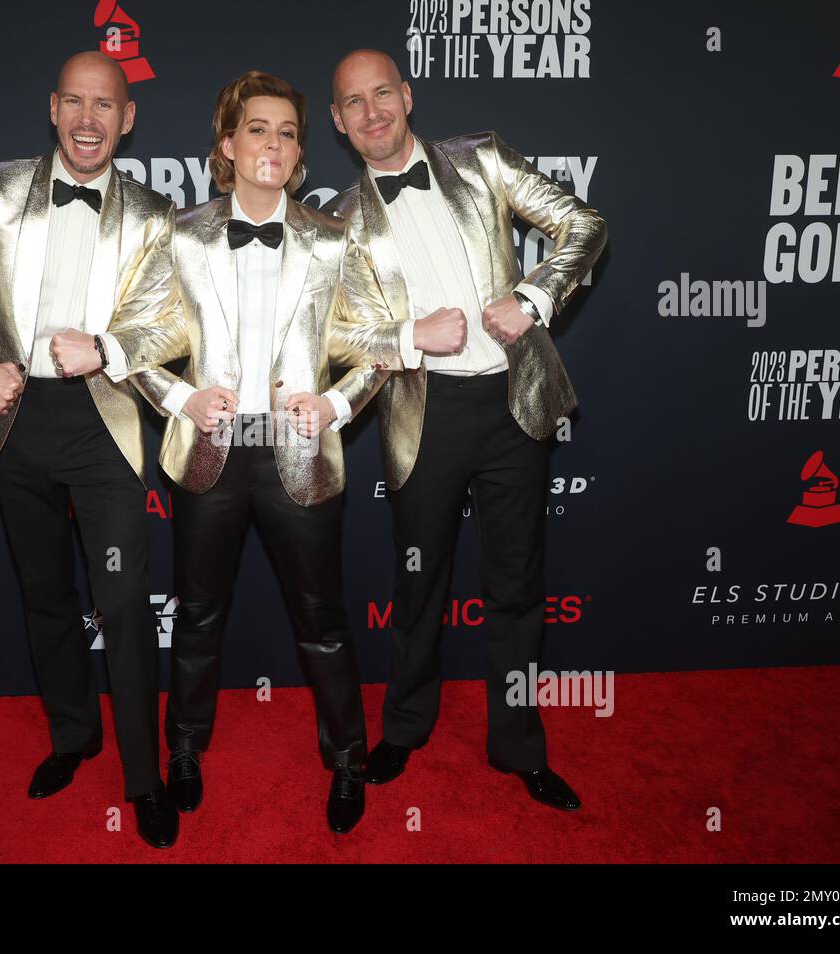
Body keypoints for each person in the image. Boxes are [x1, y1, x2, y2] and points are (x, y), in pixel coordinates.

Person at [51, 69, 464, 834]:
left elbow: (375, 341)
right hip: (210, 452)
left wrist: (334, 404)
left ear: (299, 154)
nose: (271, 143)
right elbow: (136, 336)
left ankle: (346, 759)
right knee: (200, 617)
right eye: (257, 129)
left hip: (300, 453)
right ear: (227, 146)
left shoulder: (335, 241)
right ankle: (183, 750)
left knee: (324, 622)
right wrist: (180, 399)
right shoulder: (179, 235)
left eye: (286, 132)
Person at [0, 51, 179, 848]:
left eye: (105, 105)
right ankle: (72, 734)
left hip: (104, 426)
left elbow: (171, 327)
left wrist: (112, 347)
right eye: (75, 103)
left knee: (123, 607)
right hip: (14, 421)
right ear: (54, 109)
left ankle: (144, 778)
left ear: (128, 118)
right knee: (45, 595)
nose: (89, 120)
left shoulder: (155, 216)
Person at [323, 48, 607, 811]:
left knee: (516, 586)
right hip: (426, 415)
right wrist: (408, 335)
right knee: (418, 585)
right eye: (354, 102)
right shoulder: (337, 223)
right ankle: (407, 729)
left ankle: (518, 744)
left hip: (514, 404)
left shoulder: (479, 160)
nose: (372, 111)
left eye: (383, 93)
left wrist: (535, 297)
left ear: (407, 96)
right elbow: (337, 337)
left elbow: (583, 224)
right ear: (338, 121)